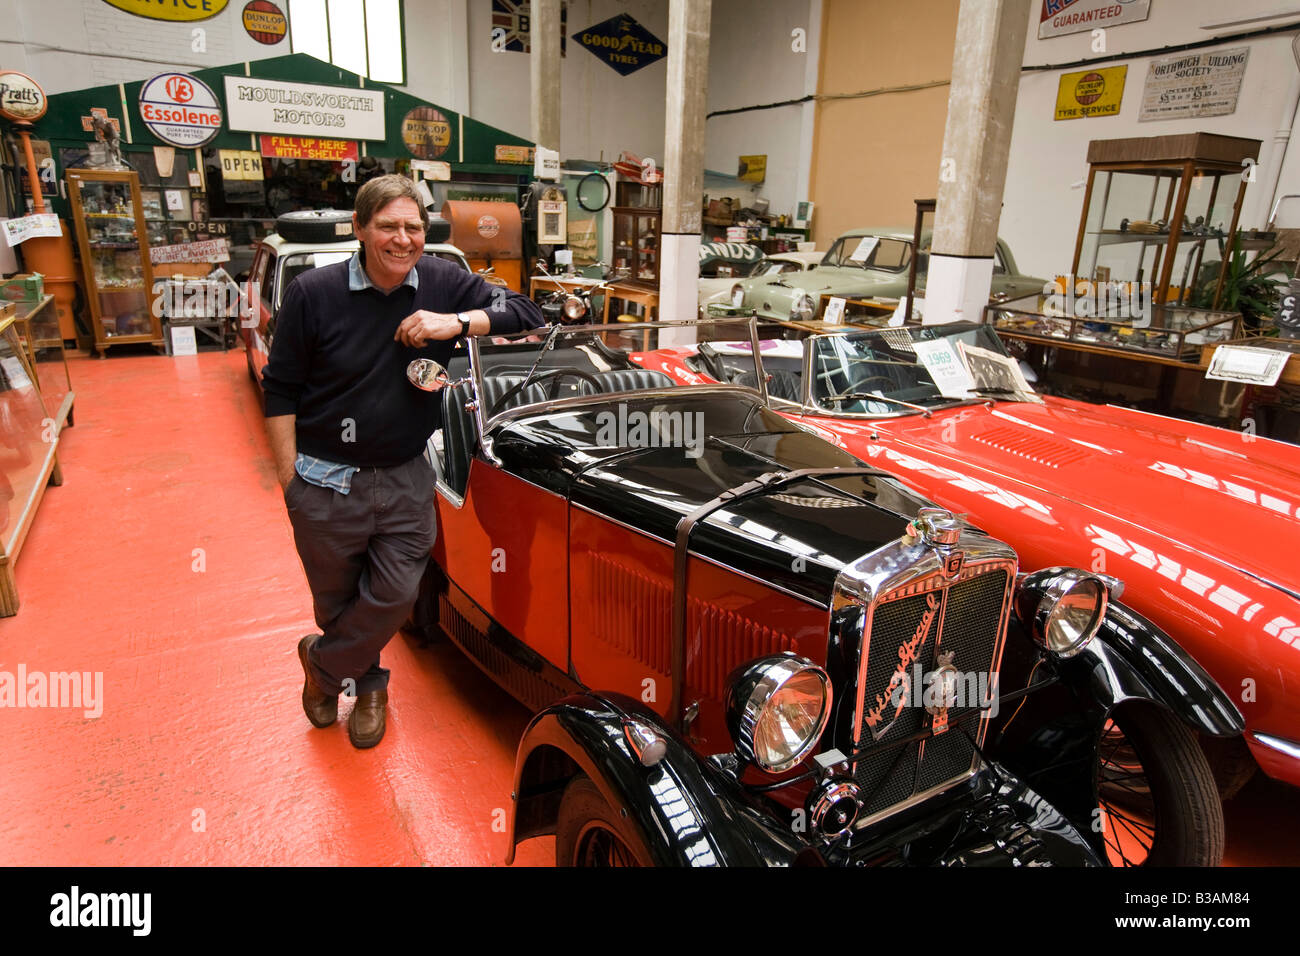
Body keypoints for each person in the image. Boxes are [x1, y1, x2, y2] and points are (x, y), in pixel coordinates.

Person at [262, 174, 543, 748]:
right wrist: (290, 479)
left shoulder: (442, 281)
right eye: (388, 225)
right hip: (325, 479)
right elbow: (280, 389)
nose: (402, 238)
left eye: (414, 226)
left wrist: (456, 322)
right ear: (360, 229)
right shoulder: (313, 294)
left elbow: (525, 311)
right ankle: (368, 687)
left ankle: (322, 666)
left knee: (394, 593)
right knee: (337, 599)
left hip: (407, 474)